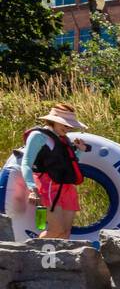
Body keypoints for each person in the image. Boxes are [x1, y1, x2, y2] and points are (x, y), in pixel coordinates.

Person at [20, 103, 92, 240]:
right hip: (47, 185)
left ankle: (55, 260)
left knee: (65, 232)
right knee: (57, 230)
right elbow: (26, 163)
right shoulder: (38, 136)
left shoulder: (64, 139)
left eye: (69, 125)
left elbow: (68, 163)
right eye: (64, 124)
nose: (68, 128)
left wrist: (80, 151)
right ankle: (31, 253)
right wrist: (32, 189)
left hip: (66, 187)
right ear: (53, 121)